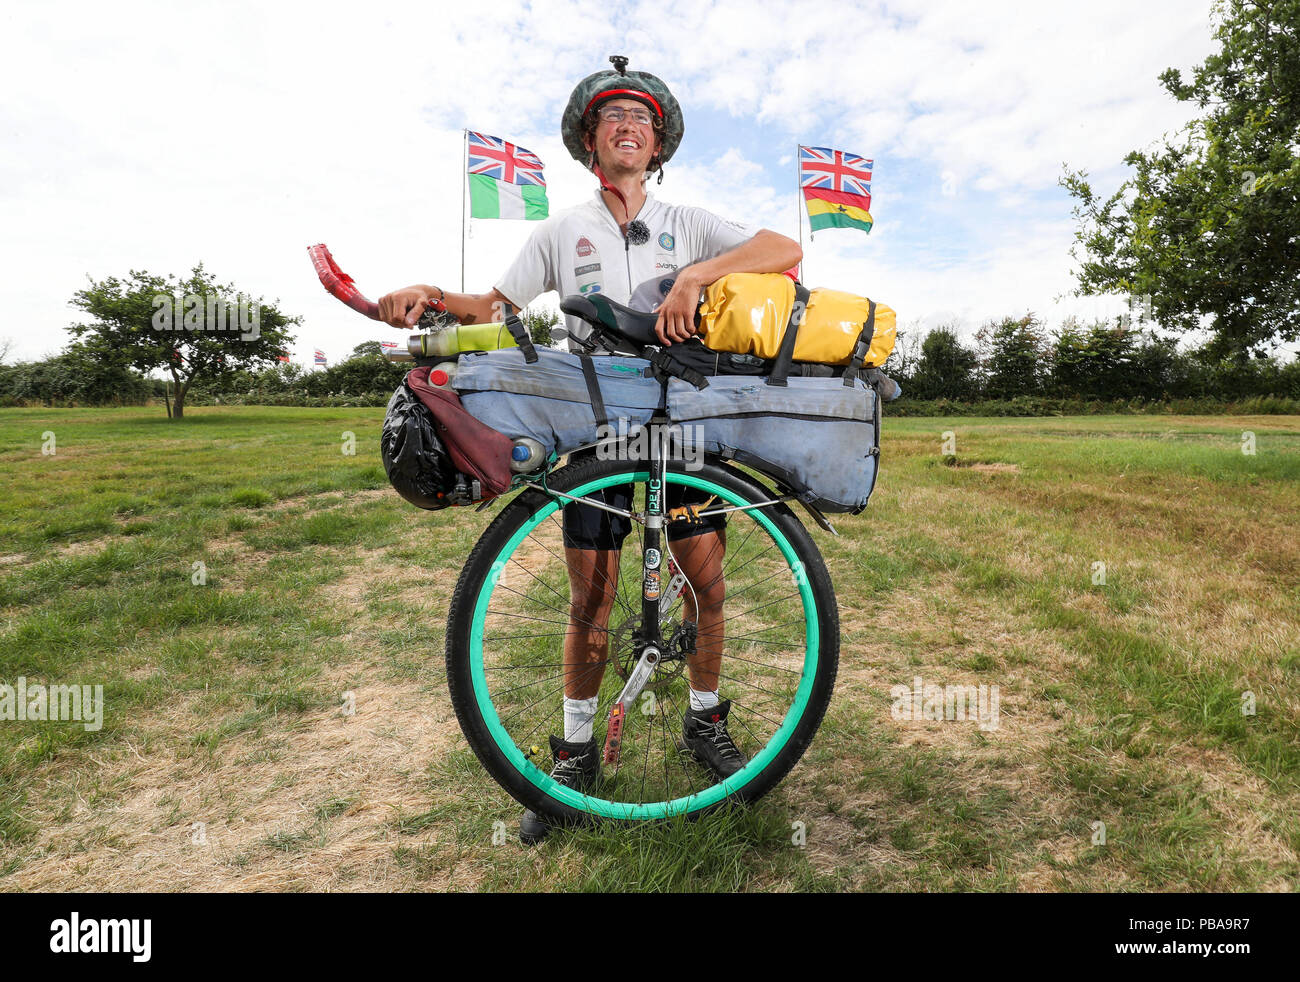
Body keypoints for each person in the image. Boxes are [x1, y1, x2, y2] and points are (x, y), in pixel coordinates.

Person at [378, 56, 802, 843]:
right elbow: (492, 306)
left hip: (682, 416)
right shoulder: (563, 228)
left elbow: (782, 249)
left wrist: (697, 279)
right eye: (612, 117)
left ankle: (704, 722)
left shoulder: (690, 222)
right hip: (595, 423)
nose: (628, 126)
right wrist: (432, 294)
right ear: (589, 139)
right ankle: (575, 757)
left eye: (641, 117)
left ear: (659, 139)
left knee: (705, 584)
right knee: (590, 599)